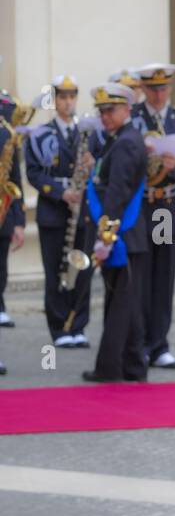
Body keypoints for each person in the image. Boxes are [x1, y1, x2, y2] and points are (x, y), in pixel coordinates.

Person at [80, 83, 149, 384]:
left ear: (127, 110)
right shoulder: (121, 139)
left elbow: (118, 192)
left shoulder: (126, 143)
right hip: (126, 234)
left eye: (110, 110)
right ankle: (134, 366)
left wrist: (104, 235)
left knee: (119, 304)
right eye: (102, 111)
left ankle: (109, 368)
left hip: (122, 234)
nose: (104, 116)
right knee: (126, 302)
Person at [130, 62, 175, 370]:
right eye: (152, 89)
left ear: (170, 88)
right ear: (143, 90)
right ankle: (140, 342)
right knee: (140, 276)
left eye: (163, 88)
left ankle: (160, 345)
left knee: (165, 277)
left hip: (169, 204)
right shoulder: (132, 118)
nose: (158, 95)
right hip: (142, 205)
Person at [26, 75, 94, 348]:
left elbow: (101, 168)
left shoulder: (89, 133)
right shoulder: (40, 134)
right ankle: (59, 328)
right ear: (54, 101)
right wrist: (60, 192)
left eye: (71, 96)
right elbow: (33, 173)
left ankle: (77, 324)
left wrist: (94, 164)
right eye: (62, 97)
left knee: (81, 268)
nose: (68, 102)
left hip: (82, 208)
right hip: (54, 210)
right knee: (55, 270)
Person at [0, 88, 28, 334]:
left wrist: (19, 220)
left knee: (1, 260)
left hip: (3, 201)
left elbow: (16, 176)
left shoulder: (7, 107)